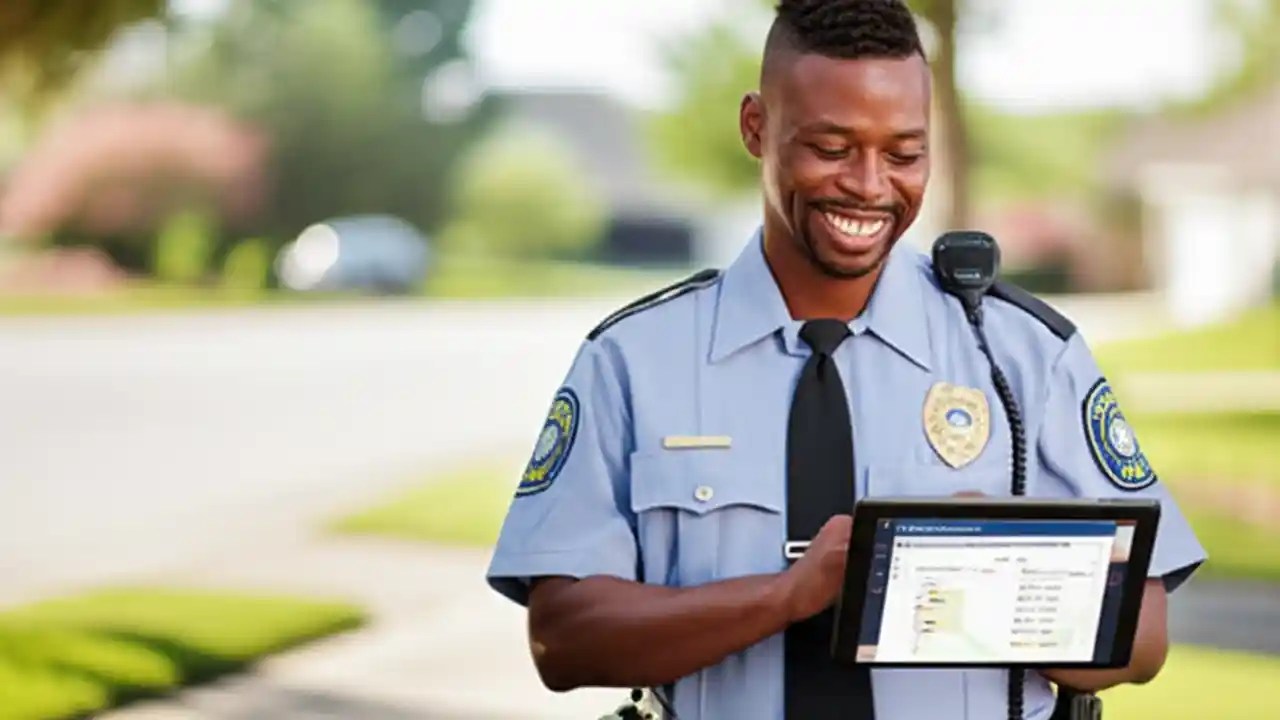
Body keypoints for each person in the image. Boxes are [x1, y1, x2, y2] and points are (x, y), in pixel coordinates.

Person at [485, 1, 1206, 718]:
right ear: (755, 128)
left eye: (904, 153)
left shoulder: (1021, 355)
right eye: (831, 148)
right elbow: (564, 641)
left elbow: (1143, 638)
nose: (868, 185)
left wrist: (992, 577)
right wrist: (787, 595)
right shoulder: (633, 361)